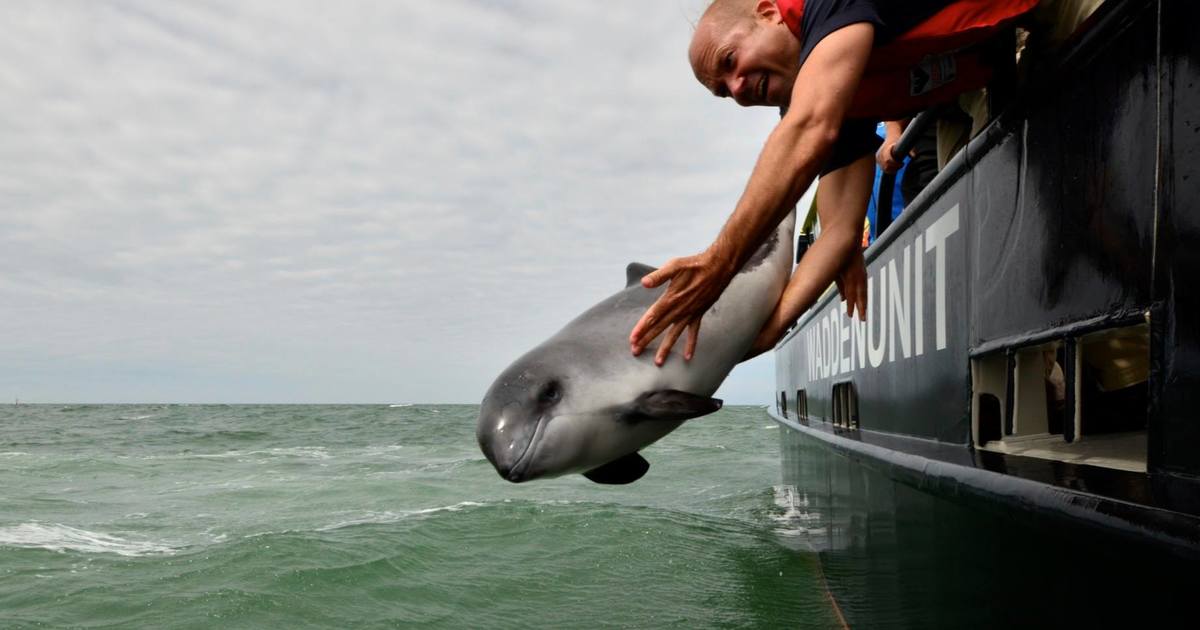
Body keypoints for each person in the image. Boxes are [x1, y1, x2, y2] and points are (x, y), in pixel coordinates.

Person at [628, 0, 1041, 366]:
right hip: (986, 70)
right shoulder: (831, 90)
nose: (736, 89)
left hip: (1043, 14)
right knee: (984, 206)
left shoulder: (823, 8)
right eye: (723, 91)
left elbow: (809, 126)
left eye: (730, 61)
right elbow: (840, 232)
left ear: (770, 13)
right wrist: (768, 332)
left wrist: (718, 264)